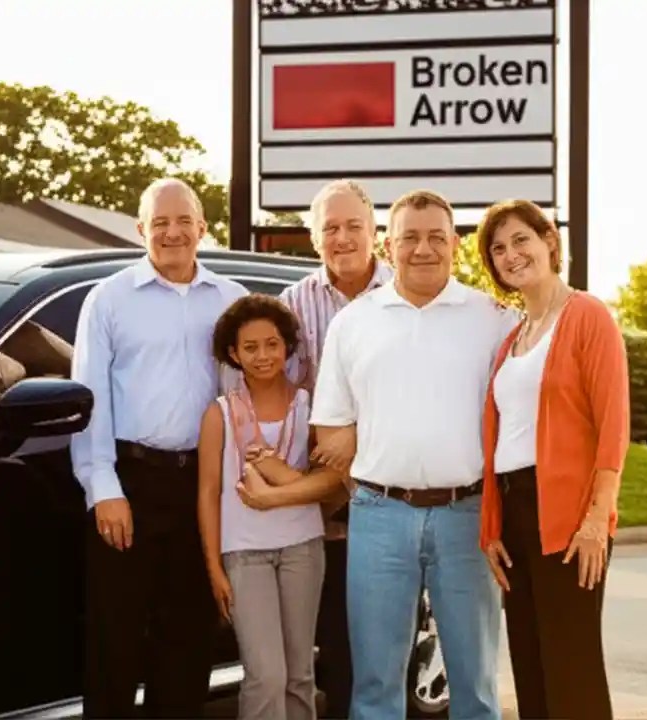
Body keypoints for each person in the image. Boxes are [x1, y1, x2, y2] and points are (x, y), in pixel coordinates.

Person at [310, 189, 519, 720]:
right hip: (380, 517)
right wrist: (379, 468)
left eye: (434, 237)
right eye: (408, 237)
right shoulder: (355, 322)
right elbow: (331, 429)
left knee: (474, 683)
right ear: (388, 244)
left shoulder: (493, 319)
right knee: (376, 683)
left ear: (454, 243)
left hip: (467, 516)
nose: (421, 249)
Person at [70, 177, 248, 719]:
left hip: (204, 485)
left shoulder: (231, 300)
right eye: (160, 222)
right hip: (131, 482)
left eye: (183, 220)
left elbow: (245, 397)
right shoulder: (109, 300)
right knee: (115, 640)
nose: (173, 232)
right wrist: (104, 488)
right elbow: (89, 399)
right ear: (141, 229)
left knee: (188, 639)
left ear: (201, 227)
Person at [476, 198, 629, 720]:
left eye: (521, 240)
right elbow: (505, 439)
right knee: (530, 659)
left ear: (550, 243)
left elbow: (613, 424)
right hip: (516, 514)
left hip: (567, 514)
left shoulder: (586, 314)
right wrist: (492, 527)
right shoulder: (513, 338)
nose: (511, 254)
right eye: (498, 249)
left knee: (572, 664)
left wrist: (596, 519)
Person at [273, 179, 394, 719]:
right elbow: (281, 399)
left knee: (388, 645)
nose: (342, 238)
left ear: (375, 232)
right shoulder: (292, 306)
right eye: (330, 228)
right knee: (335, 645)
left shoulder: (410, 294)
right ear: (314, 236)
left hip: (397, 498)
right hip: (325, 507)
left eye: (353, 226)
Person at [197, 294, 331, 720]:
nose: (262, 355)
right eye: (250, 347)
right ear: (233, 353)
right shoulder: (220, 414)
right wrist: (215, 567)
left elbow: (330, 479)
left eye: (272, 344)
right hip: (244, 554)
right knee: (265, 675)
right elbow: (208, 491)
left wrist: (281, 475)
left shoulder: (310, 406)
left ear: (287, 346)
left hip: (303, 549)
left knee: (299, 673)